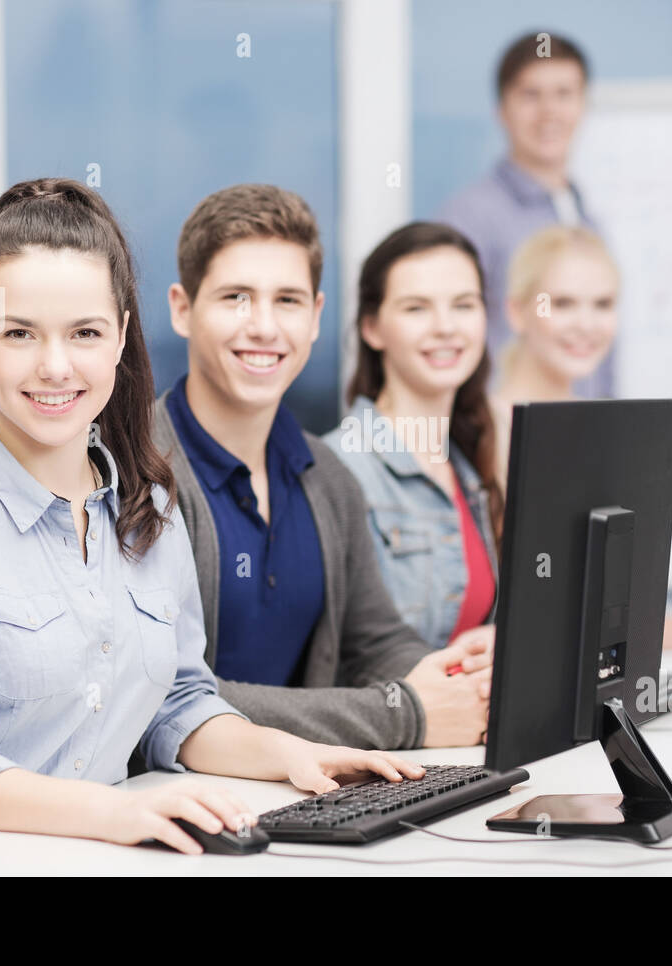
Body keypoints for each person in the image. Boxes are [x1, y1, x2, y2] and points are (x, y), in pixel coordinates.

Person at [0, 179, 424, 867]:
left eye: (85, 333)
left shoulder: (152, 511)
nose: (55, 366)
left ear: (120, 340)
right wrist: (122, 810)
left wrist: (297, 757)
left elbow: (180, 703)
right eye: (19, 333)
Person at [152, 184, 492, 752]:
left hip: (302, 799)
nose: (263, 326)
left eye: (287, 300)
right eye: (236, 297)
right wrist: (400, 714)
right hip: (174, 804)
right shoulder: (137, 475)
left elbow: (375, 644)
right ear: (182, 310)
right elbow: (167, 698)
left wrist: (460, 682)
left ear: (315, 317)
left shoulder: (327, 476)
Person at [495, 225, 672, 652]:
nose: (586, 324)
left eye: (603, 304)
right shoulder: (488, 431)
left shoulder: (603, 428)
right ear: (518, 312)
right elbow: (535, 607)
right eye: (562, 304)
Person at [323, 222, 503, 650]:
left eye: (463, 305)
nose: (445, 327)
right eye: (416, 308)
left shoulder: (468, 465)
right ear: (372, 328)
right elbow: (350, 662)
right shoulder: (339, 469)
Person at [436, 30, 612, 396]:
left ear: (583, 105)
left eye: (564, 94)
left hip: (585, 430)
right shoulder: (469, 218)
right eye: (531, 95)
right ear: (501, 110)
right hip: (505, 435)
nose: (549, 111)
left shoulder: (587, 217)